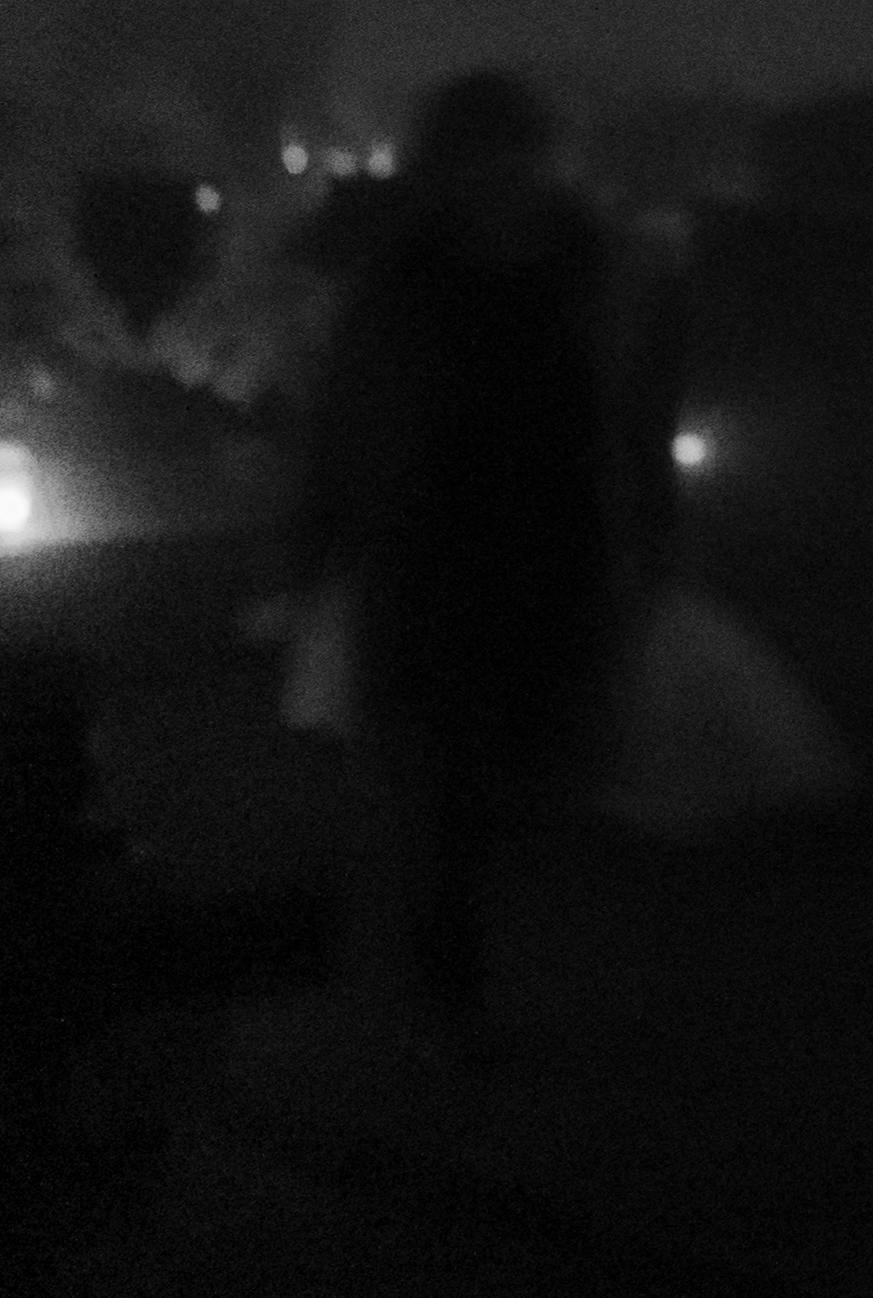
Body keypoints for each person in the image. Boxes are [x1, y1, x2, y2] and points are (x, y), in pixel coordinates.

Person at [297, 68, 629, 1054]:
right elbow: (356, 417)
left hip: (546, 548)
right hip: (437, 555)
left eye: (515, 158)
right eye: (483, 160)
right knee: (446, 786)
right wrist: (328, 538)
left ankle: (510, 989)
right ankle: (452, 994)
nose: (502, 180)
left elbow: (615, 411)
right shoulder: (409, 281)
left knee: (534, 776)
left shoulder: (579, 265)